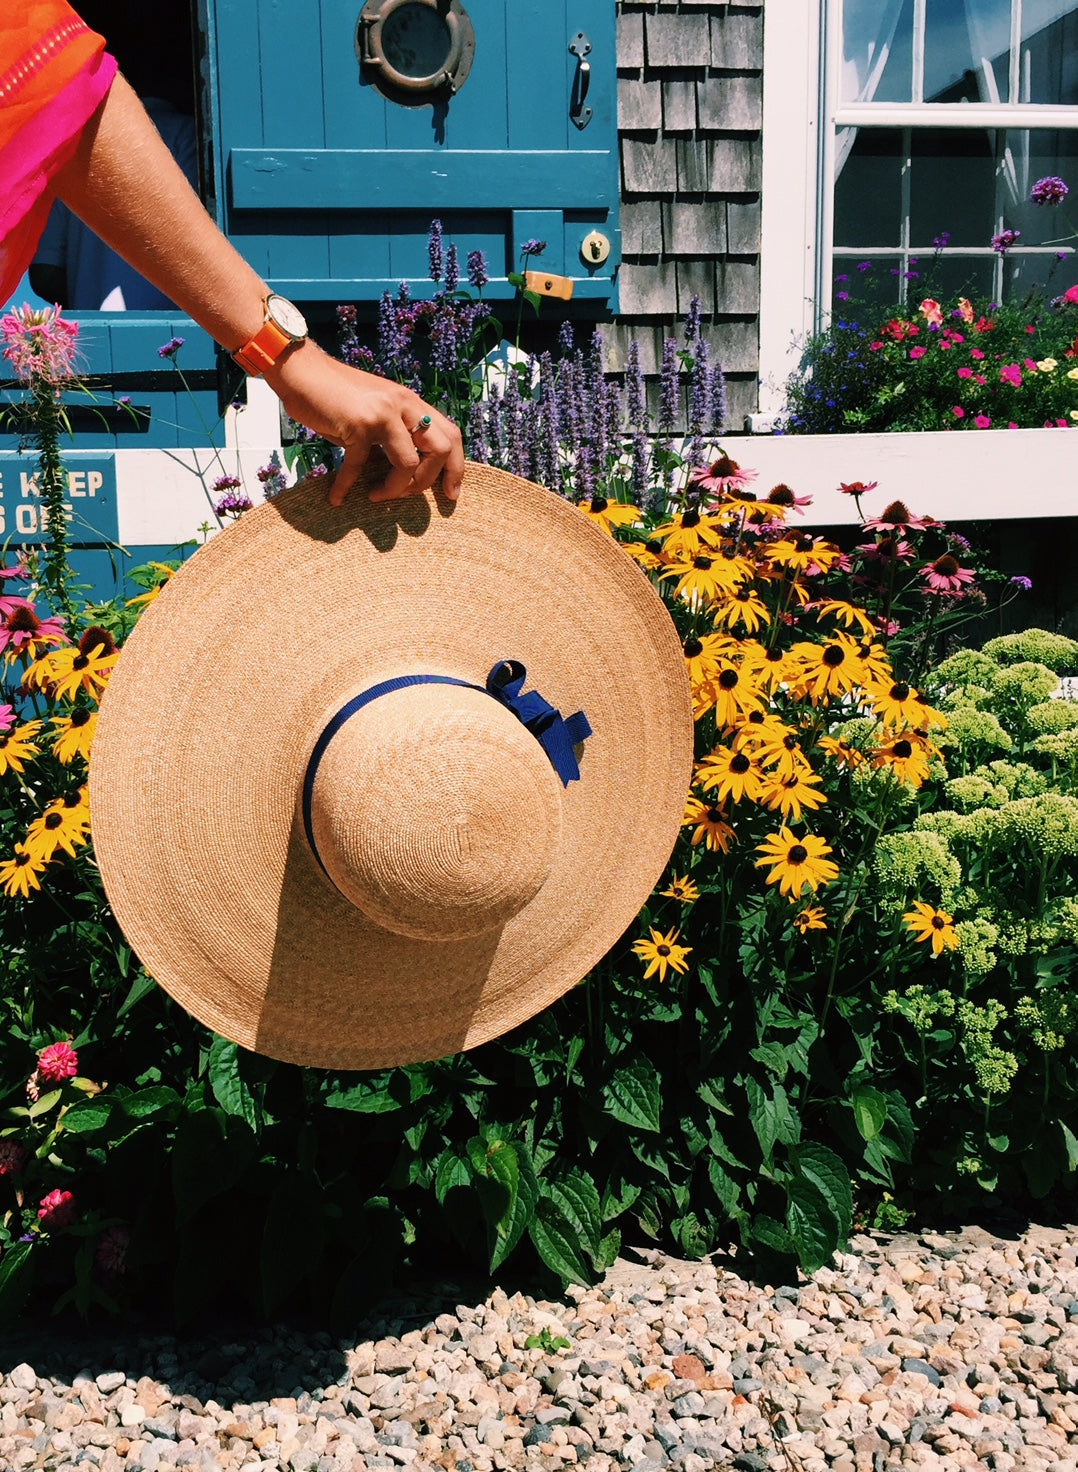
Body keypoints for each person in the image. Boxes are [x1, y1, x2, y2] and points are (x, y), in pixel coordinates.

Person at [0, 1, 464, 505]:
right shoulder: (183, 139)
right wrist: (292, 360)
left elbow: (47, 270)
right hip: (196, 329)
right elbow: (59, 85)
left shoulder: (88, 134)